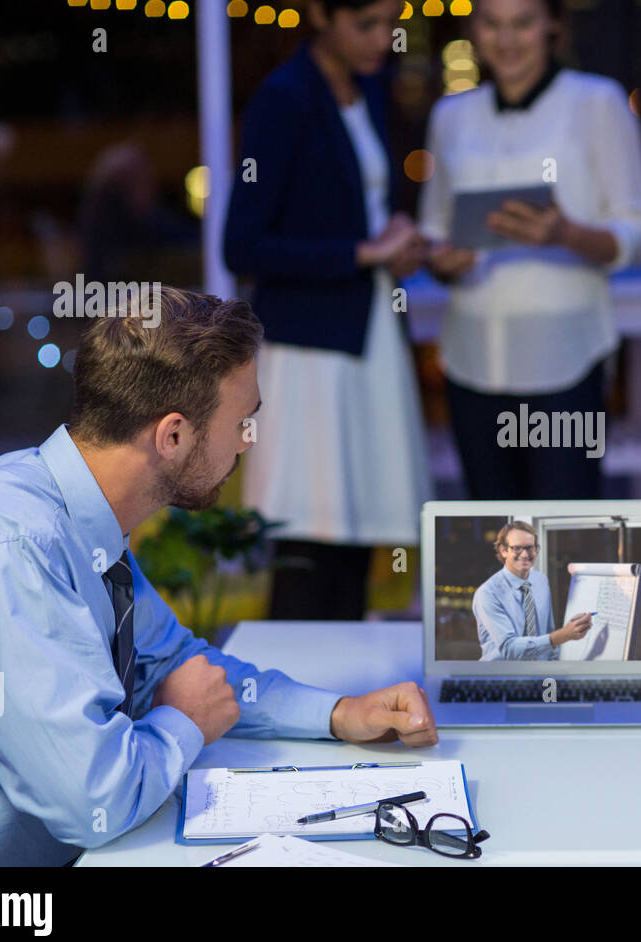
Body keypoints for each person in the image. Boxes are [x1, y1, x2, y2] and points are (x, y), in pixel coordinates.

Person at [0, 288, 438, 866]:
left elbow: (180, 664)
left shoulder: (75, 515)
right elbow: (93, 799)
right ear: (173, 436)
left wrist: (337, 715)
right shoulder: (10, 546)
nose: (246, 444)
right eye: (242, 423)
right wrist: (183, 722)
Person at [224, 0, 431, 620]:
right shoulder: (283, 99)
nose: (382, 38)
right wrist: (364, 250)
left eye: (391, 21)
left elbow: (357, 214)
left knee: (358, 535)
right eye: (365, 24)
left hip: (366, 333)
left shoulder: (369, 90)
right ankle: (300, 708)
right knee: (311, 536)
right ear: (319, 14)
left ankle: (347, 706)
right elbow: (242, 243)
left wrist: (394, 243)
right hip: (309, 348)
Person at [417, 0, 641, 499]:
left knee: (567, 533)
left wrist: (565, 234)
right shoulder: (451, 115)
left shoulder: (598, 102)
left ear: (553, 25)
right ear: (474, 28)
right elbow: (434, 231)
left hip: (568, 361)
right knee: (494, 542)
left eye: (522, 23)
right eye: (492, 24)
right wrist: (441, 261)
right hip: (471, 363)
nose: (507, 40)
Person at [472, 520, 590, 661]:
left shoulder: (541, 581)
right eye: (517, 548)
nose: (524, 554)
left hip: (538, 675)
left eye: (529, 547)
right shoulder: (488, 593)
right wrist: (564, 635)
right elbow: (510, 649)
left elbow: (548, 631)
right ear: (503, 550)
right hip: (502, 677)